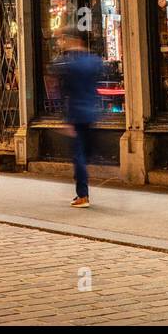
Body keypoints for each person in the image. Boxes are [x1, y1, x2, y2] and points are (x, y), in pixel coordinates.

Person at [48, 25, 103, 209]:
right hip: (92, 111)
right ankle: (83, 186)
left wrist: (66, 118)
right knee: (85, 153)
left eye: (64, 39)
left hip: (77, 113)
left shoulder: (68, 65)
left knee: (78, 155)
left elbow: (64, 92)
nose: (62, 43)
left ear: (72, 40)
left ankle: (83, 195)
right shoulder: (94, 60)